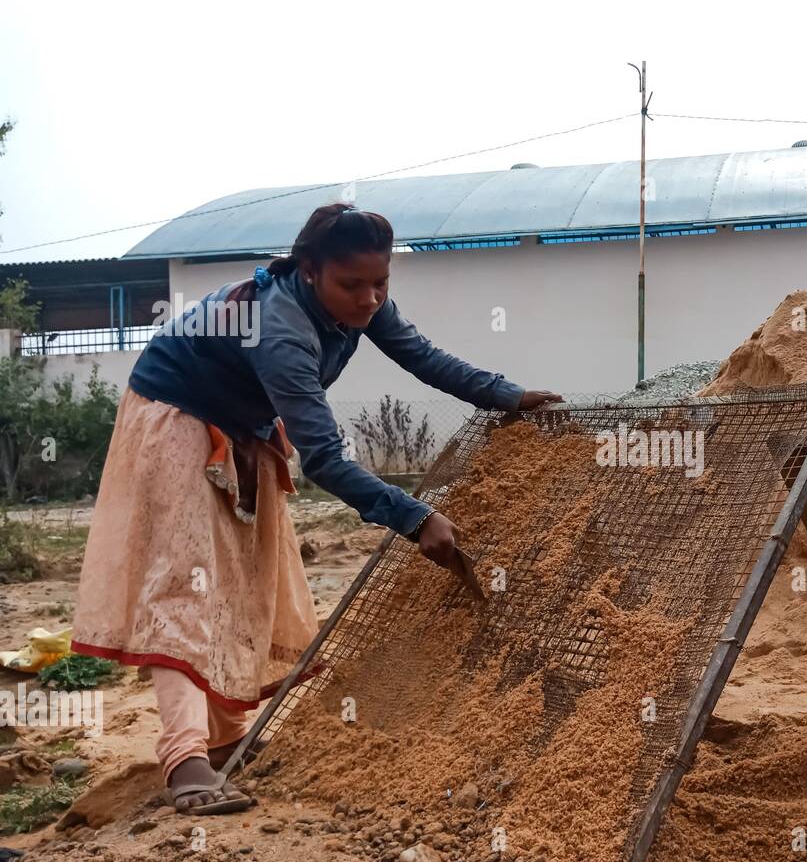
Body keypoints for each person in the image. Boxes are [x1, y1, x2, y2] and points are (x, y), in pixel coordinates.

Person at [72, 203, 561, 814]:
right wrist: (414, 517)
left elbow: (421, 355)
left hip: (240, 424)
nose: (370, 298)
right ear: (309, 272)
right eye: (352, 285)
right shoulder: (278, 328)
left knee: (243, 581)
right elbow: (325, 459)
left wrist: (506, 394)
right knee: (186, 583)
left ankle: (225, 741)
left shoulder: (363, 305)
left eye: (381, 283)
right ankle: (186, 762)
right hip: (175, 416)